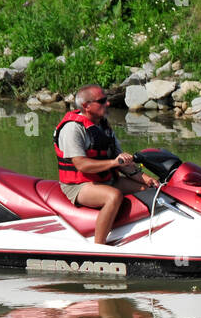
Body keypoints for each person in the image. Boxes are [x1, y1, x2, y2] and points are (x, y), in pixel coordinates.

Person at [52, 84, 157, 245]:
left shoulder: (103, 126)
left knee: (150, 191)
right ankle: (99, 246)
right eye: (101, 101)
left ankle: (142, 234)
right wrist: (114, 163)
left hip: (106, 179)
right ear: (86, 106)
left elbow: (121, 160)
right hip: (79, 185)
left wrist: (145, 178)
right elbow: (81, 165)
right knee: (113, 196)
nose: (107, 104)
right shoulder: (72, 129)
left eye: (106, 99)